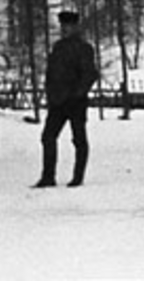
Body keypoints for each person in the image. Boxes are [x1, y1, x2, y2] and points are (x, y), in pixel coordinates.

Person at [34, 10, 98, 188]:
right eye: (63, 26)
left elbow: (90, 75)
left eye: (68, 26)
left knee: (78, 139)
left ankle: (78, 177)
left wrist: (78, 94)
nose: (65, 29)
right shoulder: (58, 47)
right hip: (57, 102)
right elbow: (51, 74)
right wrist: (50, 94)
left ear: (76, 27)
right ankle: (48, 177)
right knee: (48, 137)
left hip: (75, 103)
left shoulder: (84, 48)